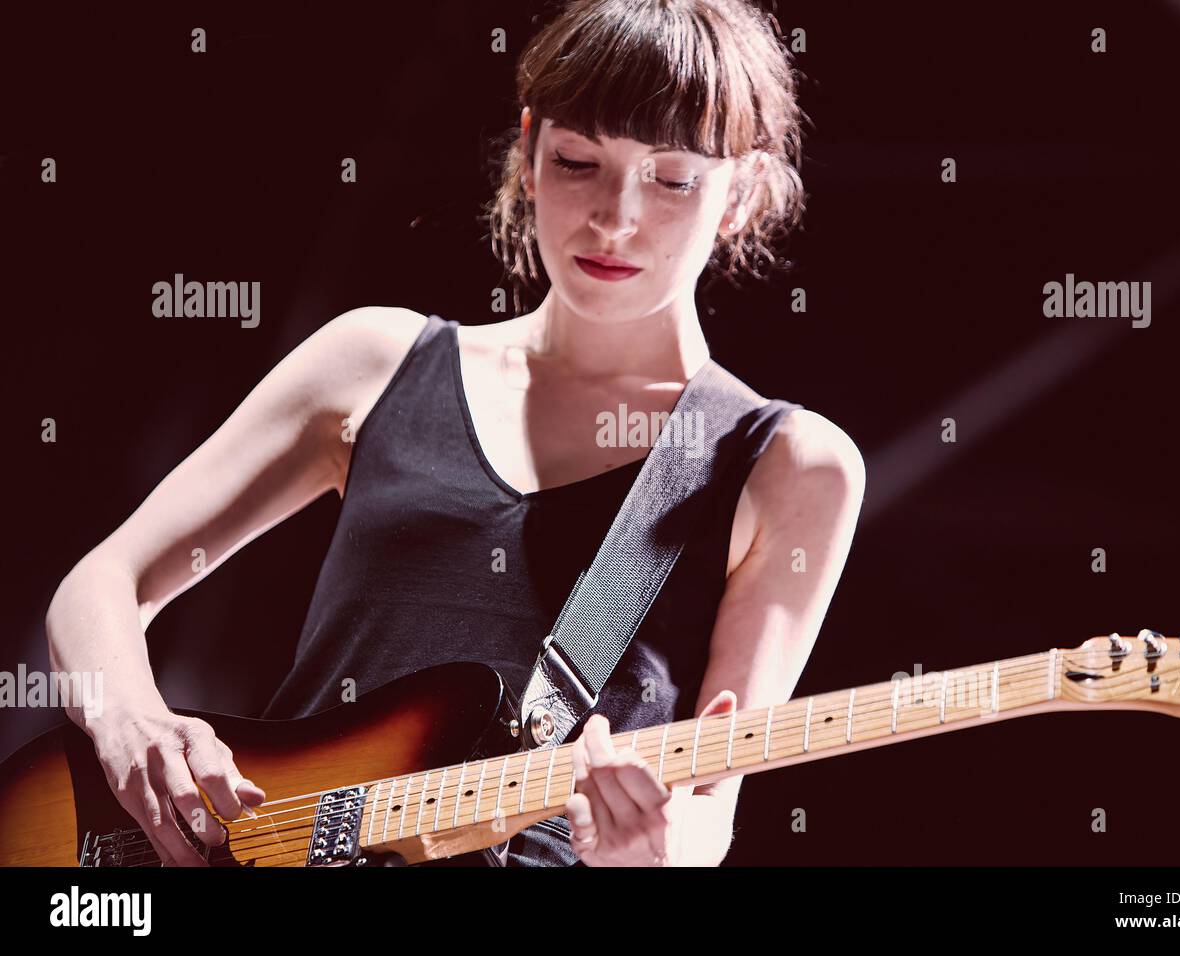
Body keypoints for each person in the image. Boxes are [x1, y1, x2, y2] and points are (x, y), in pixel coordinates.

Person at [44, 0, 865, 867]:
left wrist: (656, 852)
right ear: (528, 151)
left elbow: (711, 806)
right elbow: (102, 581)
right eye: (578, 160)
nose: (616, 217)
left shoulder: (789, 465)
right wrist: (129, 718)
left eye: (672, 179)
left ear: (739, 192)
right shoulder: (375, 361)